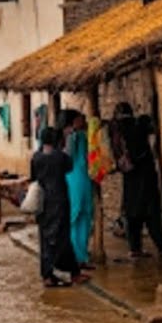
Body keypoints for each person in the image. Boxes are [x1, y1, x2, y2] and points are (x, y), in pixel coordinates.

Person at [31, 127, 85, 288]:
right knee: (61, 239)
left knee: (46, 239)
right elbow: (70, 167)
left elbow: (33, 177)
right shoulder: (59, 157)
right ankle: (71, 273)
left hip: (43, 203)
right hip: (59, 201)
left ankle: (49, 274)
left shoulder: (36, 157)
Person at [119, 108, 162, 259]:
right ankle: (161, 247)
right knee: (151, 216)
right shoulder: (140, 140)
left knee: (133, 217)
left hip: (132, 186)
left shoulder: (125, 136)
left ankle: (135, 248)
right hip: (145, 185)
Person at [62, 110, 94, 269]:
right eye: (80, 118)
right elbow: (68, 156)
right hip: (74, 179)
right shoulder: (69, 136)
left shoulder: (84, 135)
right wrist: (71, 135)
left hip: (84, 178)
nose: (84, 119)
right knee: (74, 216)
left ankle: (82, 256)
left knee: (86, 216)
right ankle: (72, 255)